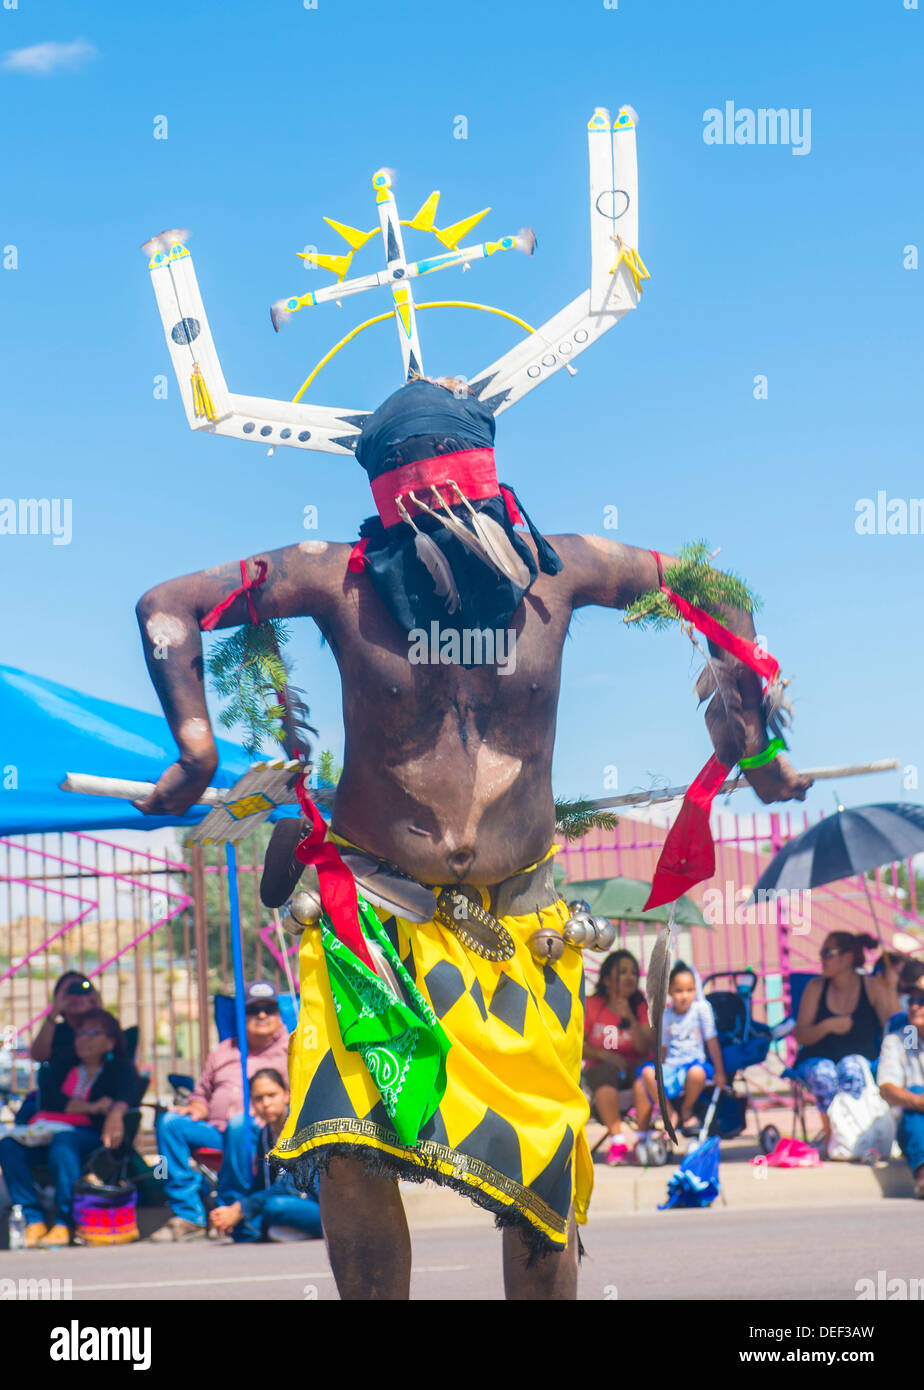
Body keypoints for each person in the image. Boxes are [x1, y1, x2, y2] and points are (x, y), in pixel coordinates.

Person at [133, 377, 810, 1298]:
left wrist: (762, 751)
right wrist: (196, 746)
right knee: (352, 1149)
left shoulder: (561, 571)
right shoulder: (336, 579)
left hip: (519, 931)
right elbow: (167, 603)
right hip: (372, 920)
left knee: (538, 1183)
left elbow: (717, 590)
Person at [150, 981, 290, 1242]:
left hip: (264, 1136)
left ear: (279, 1014)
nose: (262, 1015)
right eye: (253, 1010)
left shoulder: (291, 1050)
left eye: (269, 1009)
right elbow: (202, 1095)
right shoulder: (224, 1051)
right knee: (169, 1123)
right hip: (216, 1132)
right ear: (241, 1015)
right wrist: (195, 1107)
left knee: (240, 1124)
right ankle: (189, 1214)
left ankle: (230, 1209)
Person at [0, 1010, 139, 1247]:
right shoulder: (64, 1064)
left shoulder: (121, 1069)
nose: (84, 1038)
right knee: (9, 1146)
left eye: (93, 1033)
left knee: (64, 1143)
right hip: (49, 1133)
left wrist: (114, 1112)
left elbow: (128, 1096)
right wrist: (93, 1107)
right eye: (81, 1032)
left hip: (91, 1137)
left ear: (111, 1041)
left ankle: (65, 1221)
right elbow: (51, 1100)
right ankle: (33, 1218)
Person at [792, 932, 900, 1140]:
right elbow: (801, 1036)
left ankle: (854, 1135)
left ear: (848, 957)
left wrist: (892, 989)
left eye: (827, 953)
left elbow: (896, 1026)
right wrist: (827, 1026)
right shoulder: (815, 988)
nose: (822, 958)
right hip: (819, 1059)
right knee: (824, 1072)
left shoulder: (872, 987)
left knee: (852, 1067)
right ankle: (831, 1138)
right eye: (821, 953)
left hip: (860, 1060)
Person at [209, 1069, 322, 1243]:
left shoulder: (302, 1127)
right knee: (240, 1227)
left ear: (286, 1095)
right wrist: (233, 1211)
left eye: (272, 1095)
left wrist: (241, 1209)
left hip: (314, 1205)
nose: (266, 1103)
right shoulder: (265, 1134)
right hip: (281, 1200)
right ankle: (275, 1230)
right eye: (258, 1098)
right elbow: (262, 1184)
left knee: (274, 1207)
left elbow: (292, 1186)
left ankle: (301, 1230)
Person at [634, 961, 727, 1142]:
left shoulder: (701, 1010)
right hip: (672, 1066)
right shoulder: (666, 1016)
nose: (685, 996)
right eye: (679, 991)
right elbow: (663, 1049)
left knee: (697, 1073)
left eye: (690, 990)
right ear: (669, 992)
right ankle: (668, 1112)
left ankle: (686, 1109)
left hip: (693, 1064)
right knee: (647, 1072)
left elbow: (712, 1041)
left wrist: (720, 1072)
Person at [582, 950, 653, 1164]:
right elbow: (576, 1044)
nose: (630, 977)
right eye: (622, 972)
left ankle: (642, 1140)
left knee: (644, 1077)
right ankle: (617, 1142)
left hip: (634, 1066)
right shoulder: (592, 1005)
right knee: (605, 1074)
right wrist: (604, 1055)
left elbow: (643, 1047)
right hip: (601, 1068)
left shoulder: (640, 1006)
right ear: (606, 979)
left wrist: (629, 1018)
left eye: (633, 972)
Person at [877, 961, 924, 1198]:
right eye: (911, 1001)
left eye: (922, 1000)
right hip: (914, 1122)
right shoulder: (902, 1037)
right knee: (913, 1095)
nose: (915, 1006)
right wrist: (918, 1101)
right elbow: (887, 1088)